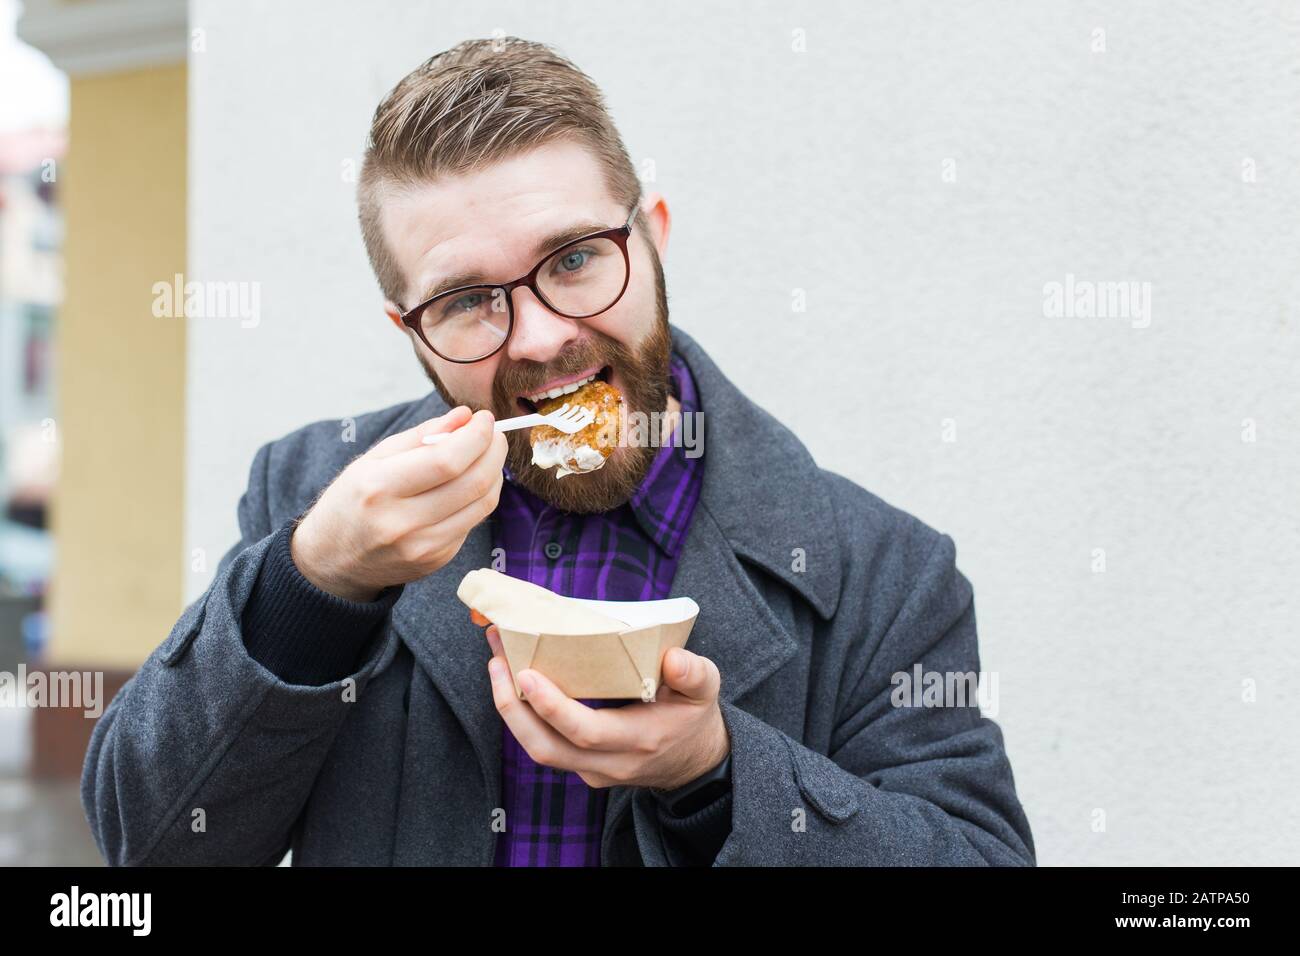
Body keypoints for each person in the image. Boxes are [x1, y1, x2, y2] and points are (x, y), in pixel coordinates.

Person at [81, 37, 1034, 867]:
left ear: (653, 240)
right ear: (411, 332)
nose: (540, 338)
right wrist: (316, 583)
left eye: (574, 258)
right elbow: (152, 845)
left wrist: (716, 775)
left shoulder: (886, 572)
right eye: (467, 300)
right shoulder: (308, 496)